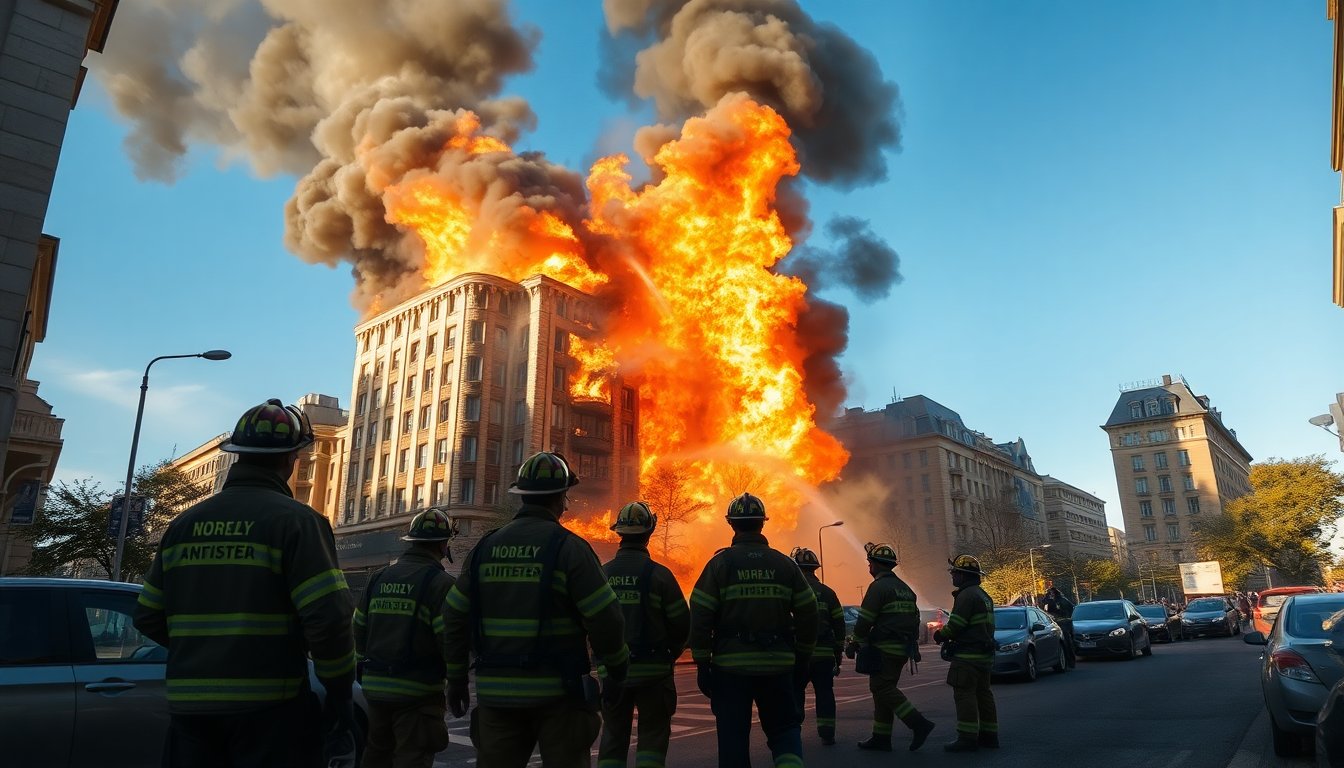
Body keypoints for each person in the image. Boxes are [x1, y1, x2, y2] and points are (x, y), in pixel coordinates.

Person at [134, 399, 356, 768]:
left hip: (190, 708)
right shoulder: (298, 522)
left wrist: (204, 650)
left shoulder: (184, 525)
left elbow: (147, 615)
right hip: (269, 709)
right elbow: (329, 617)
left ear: (237, 454)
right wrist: (340, 692)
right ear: (291, 458)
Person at [443, 451, 629, 768]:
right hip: (558, 696)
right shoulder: (569, 548)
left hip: (497, 695)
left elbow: (453, 616)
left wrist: (456, 678)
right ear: (560, 497)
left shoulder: (485, 549)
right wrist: (616, 671)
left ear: (521, 495)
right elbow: (606, 618)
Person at [690, 492, 818, 768]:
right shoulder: (785, 564)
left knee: (733, 736)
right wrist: (803, 657)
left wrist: (702, 662)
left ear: (731, 524)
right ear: (762, 523)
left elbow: (700, 615)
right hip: (778, 666)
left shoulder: (719, 565)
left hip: (730, 670)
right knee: (784, 730)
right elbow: (809, 612)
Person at [354, 508, 459, 768]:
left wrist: (363, 674)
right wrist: (457, 683)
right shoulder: (441, 584)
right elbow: (449, 641)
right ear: (443, 545)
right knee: (412, 758)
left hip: (375, 690)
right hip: (417, 694)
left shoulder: (378, 578)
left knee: (375, 755)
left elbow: (358, 628)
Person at [597, 501, 691, 768]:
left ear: (619, 533)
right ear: (649, 532)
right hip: (654, 672)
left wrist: (602, 655)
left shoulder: (602, 574)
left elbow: (591, 621)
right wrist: (670, 653)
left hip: (613, 673)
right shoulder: (660, 576)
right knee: (652, 737)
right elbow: (682, 624)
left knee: (613, 736)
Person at [848, 542, 936, 753]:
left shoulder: (878, 587)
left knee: (882, 688)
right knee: (883, 693)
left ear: (878, 565)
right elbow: (915, 619)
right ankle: (881, 737)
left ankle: (918, 724)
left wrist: (855, 641)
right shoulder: (905, 589)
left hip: (884, 649)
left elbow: (865, 620)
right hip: (902, 649)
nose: (869, 566)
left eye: (870, 563)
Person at [933, 554, 998, 752]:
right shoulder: (984, 596)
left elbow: (957, 625)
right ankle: (989, 736)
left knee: (964, 695)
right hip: (984, 655)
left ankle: (967, 738)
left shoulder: (966, 596)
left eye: (955, 573)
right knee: (984, 695)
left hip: (968, 656)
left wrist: (940, 635)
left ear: (963, 575)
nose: (952, 576)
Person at [789, 547, 845, 746]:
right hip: (824, 655)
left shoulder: (791, 591)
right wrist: (838, 653)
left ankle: (793, 731)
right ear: (815, 569)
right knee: (825, 693)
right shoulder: (828, 593)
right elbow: (839, 624)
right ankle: (827, 733)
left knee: (795, 692)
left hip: (798, 656)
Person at [1038, 586, 1076, 669]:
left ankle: (1068, 661)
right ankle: (1068, 662)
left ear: (1054, 593)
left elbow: (1070, 607)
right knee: (1065, 643)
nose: (1050, 595)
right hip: (1062, 623)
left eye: (1051, 593)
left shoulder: (1057, 601)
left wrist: (1065, 615)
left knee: (1065, 643)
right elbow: (1072, 607)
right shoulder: (1059, 600)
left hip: (1062, 623)